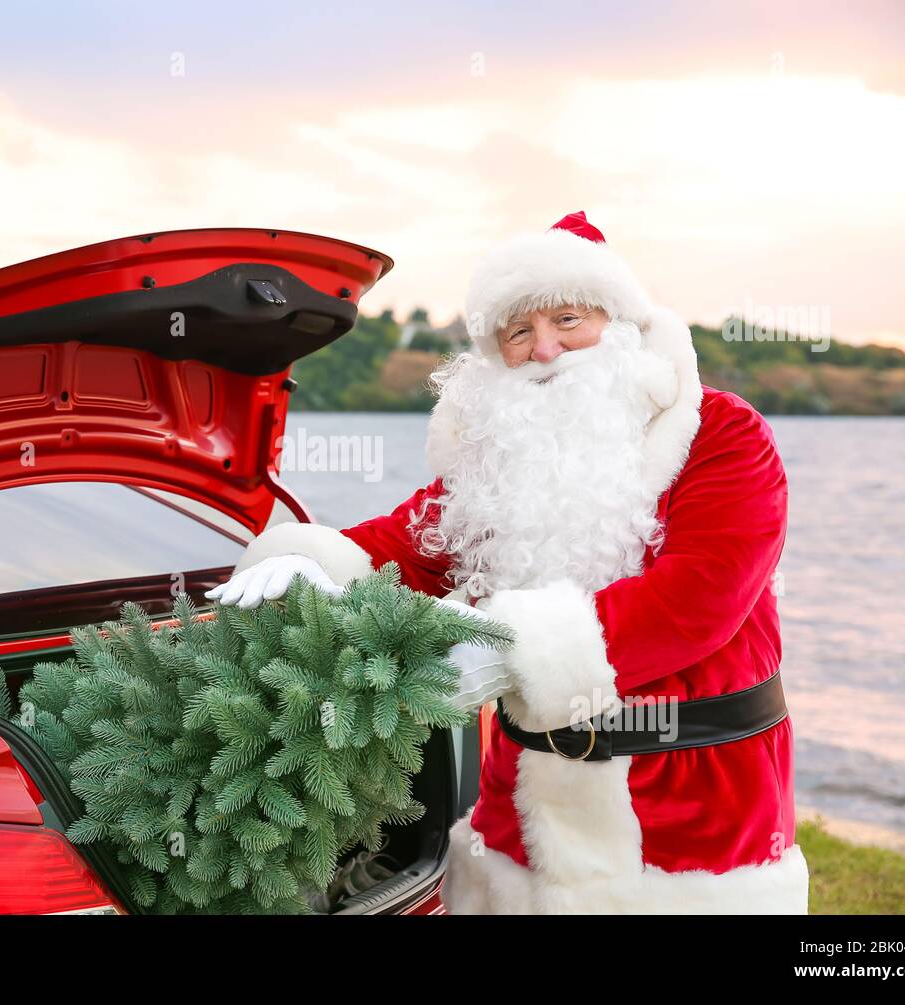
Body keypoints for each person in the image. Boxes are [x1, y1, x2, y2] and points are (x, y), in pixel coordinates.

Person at [208, 212, 807, 914]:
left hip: (692, 802)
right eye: (519, 332)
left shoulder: (722, 433)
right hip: (525, 808)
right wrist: (314, 560)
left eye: (567, 319)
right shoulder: (501, 462)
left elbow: (699, 599)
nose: (545, 349)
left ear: (618, 324)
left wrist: (508, 649)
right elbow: (407, 546)